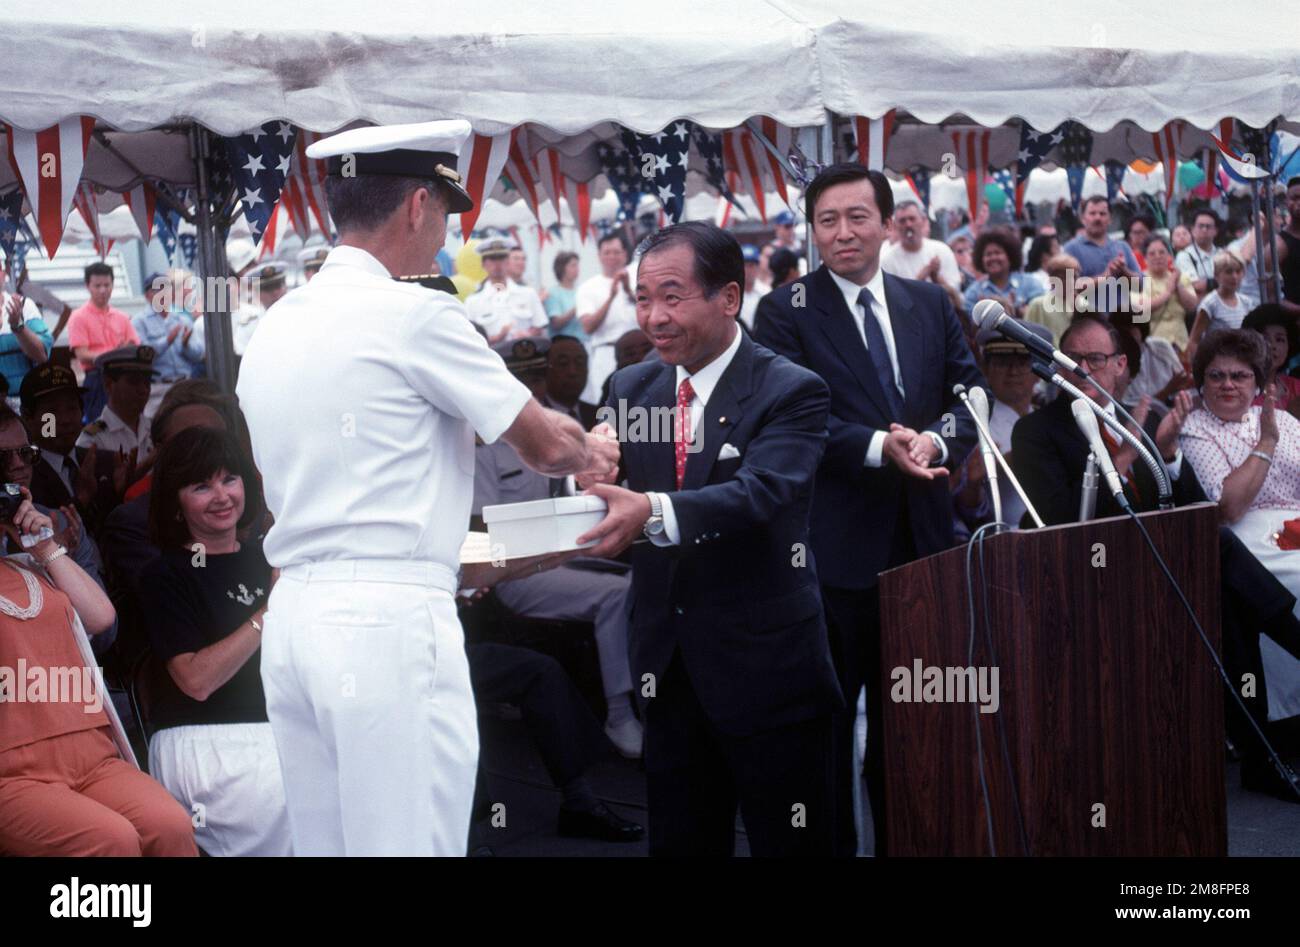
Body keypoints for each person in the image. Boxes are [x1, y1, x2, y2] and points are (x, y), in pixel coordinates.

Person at [236, 119, 619, 856]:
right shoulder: (419, 314)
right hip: (387, 618)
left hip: (292, 618)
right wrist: (594, 447)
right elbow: (544, 442)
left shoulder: (275, 325)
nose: (445, 238)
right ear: (416, 205)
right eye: (444, 216)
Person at [579, 221, 842, 856]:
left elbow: (761, 494)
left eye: (673, 296)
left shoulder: (791, 390)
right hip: (666, 673)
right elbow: (607, 492)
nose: (655, 317)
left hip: (767, 671)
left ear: (730, 296)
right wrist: (589, 478)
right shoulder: (629, 387)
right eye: (643, 298)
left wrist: (647, 509)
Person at [754, 163, 985, 857]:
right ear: (813, 230)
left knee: (915, 729)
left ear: (889, 223)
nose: (844, 232)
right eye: (828, 220)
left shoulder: (930, 303)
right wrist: (880, 446)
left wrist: (938, 436)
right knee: (826, 734)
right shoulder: (783, 310)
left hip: (924, 547)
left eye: (858, 216)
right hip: (832, 554)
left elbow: (969, 391)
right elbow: (786, 417)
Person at [0, 486, 197, 856]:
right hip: (13, 770)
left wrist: (44, 545)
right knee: (110, 839)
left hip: (90, 750)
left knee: (171, 823)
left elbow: (101, 617)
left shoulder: (29, 565)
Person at [473, 337, 641, 759]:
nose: (533, 390)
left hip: (564, 550)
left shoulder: (565, 428)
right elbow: (480, 528)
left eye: (537, 378)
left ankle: (643, 700)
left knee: (649, 575)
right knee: (617, 595)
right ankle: (619, 714)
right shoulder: (485, 443)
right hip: (513, 568)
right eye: (522, 380)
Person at [138, 426, 291, 856]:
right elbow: (196, 681)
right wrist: (268, 613)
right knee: (297, 796)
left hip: (282, 729)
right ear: (175, 502)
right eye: (201, 485)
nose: (222, 496)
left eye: (229, 479)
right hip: (208, 744)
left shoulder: (273, 559)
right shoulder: (164, 576)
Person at [1178, 330, 1300, 741]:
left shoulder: (1282, 419)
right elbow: (1228, 506)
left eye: (1240, 375)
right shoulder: (1198, 428)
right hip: (1245, 544)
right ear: (1202, 382)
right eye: (1216, 376)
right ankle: (1284, 720)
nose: (1228, 384)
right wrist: (1266, 444)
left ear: (1258, 382)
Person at [1011, 315, 1198, 525]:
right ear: (1061, 365)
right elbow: (1056, 517)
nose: (1083, 369)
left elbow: (1195, 508)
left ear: (1120, 364)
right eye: (1072, 358)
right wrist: (1123, 458)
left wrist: (1169, 453)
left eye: (1096, 359)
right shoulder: (1034, 430)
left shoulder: (1146, 420)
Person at [974, 319, 1051, 528]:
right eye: (1002, 362)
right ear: (986, 369)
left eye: (1023, 363)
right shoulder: (977, 424)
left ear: (1038, 373)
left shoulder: (1046, 421)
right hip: (1004, 539)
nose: (1013, 371)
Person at [66, 262, 140, 425]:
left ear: (113, 285)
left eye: (107, 285)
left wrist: (120, 351)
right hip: (97, 379)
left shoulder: (122, 317)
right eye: (97, 285)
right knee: (99, 429)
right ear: (88, 286)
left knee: (128, 424)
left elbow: (134, 347)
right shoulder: (78, 317)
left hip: (123, 378)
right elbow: (82, 355)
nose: (103, 290)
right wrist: (116, 352)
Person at [132, 272, 204, 421]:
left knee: (189, 426)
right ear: (147, 296)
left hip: (185, 384)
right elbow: (144, 356)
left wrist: (186, 346)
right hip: (158, 389)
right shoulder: (139, 322)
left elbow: (199, 354)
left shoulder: (182, 319)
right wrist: (167, 341)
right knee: (156, 430)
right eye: (158, 291)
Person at [576, 232, 639, 403]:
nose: (612, 257)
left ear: (625, 254)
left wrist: (628, 291)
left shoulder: (638, 282)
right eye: (607, 252)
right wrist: (611, 297)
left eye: (616, 252)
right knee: (607, 405)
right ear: (599, 256)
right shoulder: (588, 287)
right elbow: (588, 327)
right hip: (606, 353)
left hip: (639, 351)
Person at [76, 346, 155, 464]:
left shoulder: (155, 429)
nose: (143, 390)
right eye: (133, 382)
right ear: (108, 385)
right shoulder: (92, 439)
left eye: (147, 382)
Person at [882, 201, 965, 311]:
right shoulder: (887, 259)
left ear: (923, 221)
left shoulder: (942, 250)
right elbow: (892, 302)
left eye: (912, 219)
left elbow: (955, 295)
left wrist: (936, 277)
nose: (908, 225)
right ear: (895, 226)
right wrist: (920, 279)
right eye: (902, 221)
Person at [1062, 197, 1140, 313]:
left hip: (1122, 323)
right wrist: (1105, 276)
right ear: (1083, 219)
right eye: (1092, 213)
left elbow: (1140, 286)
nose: (1097, 218)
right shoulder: (1071, 249)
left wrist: (1124, 270)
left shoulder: (1122, 247)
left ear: (1110, 219)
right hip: (1088, 323)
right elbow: (1066, 288)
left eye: (1102, 214)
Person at [465, 237, 548, 343]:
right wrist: (496, 338)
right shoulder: (473, 302)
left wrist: (528, 334)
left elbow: (540, 326)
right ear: (483, 264)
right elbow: (470, 338)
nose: (497, 264)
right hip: (491, 356)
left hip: (524, 354)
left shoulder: (528, 293)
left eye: (501, 259)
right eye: (492, 259)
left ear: (508, 262)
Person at [1111, 309, 1191, 418]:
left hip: (1176, 411)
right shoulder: (1117, 365)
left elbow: (1182, 380)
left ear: (1141, 329)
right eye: (1123, 331)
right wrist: (1167, 390)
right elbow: (1130, 408)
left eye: (1132, 329)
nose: (1128, 335)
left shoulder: (1160, 346)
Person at [0, 254, 53, 407]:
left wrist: (18, 327)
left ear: (3, 274)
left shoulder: (24, 306)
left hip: (27, 403)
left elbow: (42, 356)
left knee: (46, 429)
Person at [1187, 249, 1256, 361]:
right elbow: (1194, 340)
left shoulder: (1246, 303)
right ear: (1216, 275)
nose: (1234, 276)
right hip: (1217, 359)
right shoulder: (1210, 303)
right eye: (1229, 272)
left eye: (1238, 271)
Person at [963, 228, 1044, 316]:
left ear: (1010, 256)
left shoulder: (1030, 284)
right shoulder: (974, 292)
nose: (993, 258)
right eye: (988, 254)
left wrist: (1017, 310)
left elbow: (1040, 315)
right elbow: (970, 326)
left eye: (998, 253)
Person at [1141, 234, 1198, 349]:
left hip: (1180, 341)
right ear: (1145, 258)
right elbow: (1141, 308)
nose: (1158, 256)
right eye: (1152, 253)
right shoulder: (1139, 280)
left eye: (1162, 252)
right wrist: (1167, 293)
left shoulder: (1181, 277)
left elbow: (1192, 306)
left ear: (1169, 256)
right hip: (1154, 343)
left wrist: (1177, 284)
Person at [1242, 304, 1300, 415]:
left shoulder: (1296, 388)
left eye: (1280, 339)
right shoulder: (1238, 392)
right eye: (1265, 338)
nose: (1272, 345)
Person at [1023, 252, 1091, 343]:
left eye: (1074, 277)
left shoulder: (1083, 304)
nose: (1070, 281)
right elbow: (1026, 334)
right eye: (1063, 277)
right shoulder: (1038, 305)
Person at [233, 263, 289, 356]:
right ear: (256, 293)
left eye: (278, 285)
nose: (275, 292)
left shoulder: (301, 317)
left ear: (285, 286)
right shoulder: (249, 327)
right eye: (267, 288)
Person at [544, 334, 598, 429]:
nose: (572, 372)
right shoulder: (535, 417)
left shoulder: (599, 417)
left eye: (579, 363)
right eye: (563, 364)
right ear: (545, 369)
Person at [1175, 209, 1221, 297]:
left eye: (1208, 226)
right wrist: (1224, 282)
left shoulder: (1222, 253)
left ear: (1215, 231)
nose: (1204, 230)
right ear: (1192, 230)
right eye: (1200, 226)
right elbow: (1196, 286)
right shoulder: (1184, 256)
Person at [545, 251, 584, 341]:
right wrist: (577, 307)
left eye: (577, 265)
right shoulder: (553, 292)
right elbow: (556, 323)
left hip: (584, 343)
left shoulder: (581, 291)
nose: (577, 269)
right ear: (562, 268)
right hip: (564, 344)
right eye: (573, 265)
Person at [738, 243, 761, 330]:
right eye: (745, 265)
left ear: (757, 267)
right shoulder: (732, 293)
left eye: (751, 265)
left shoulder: (765, 291)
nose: (747, 270)